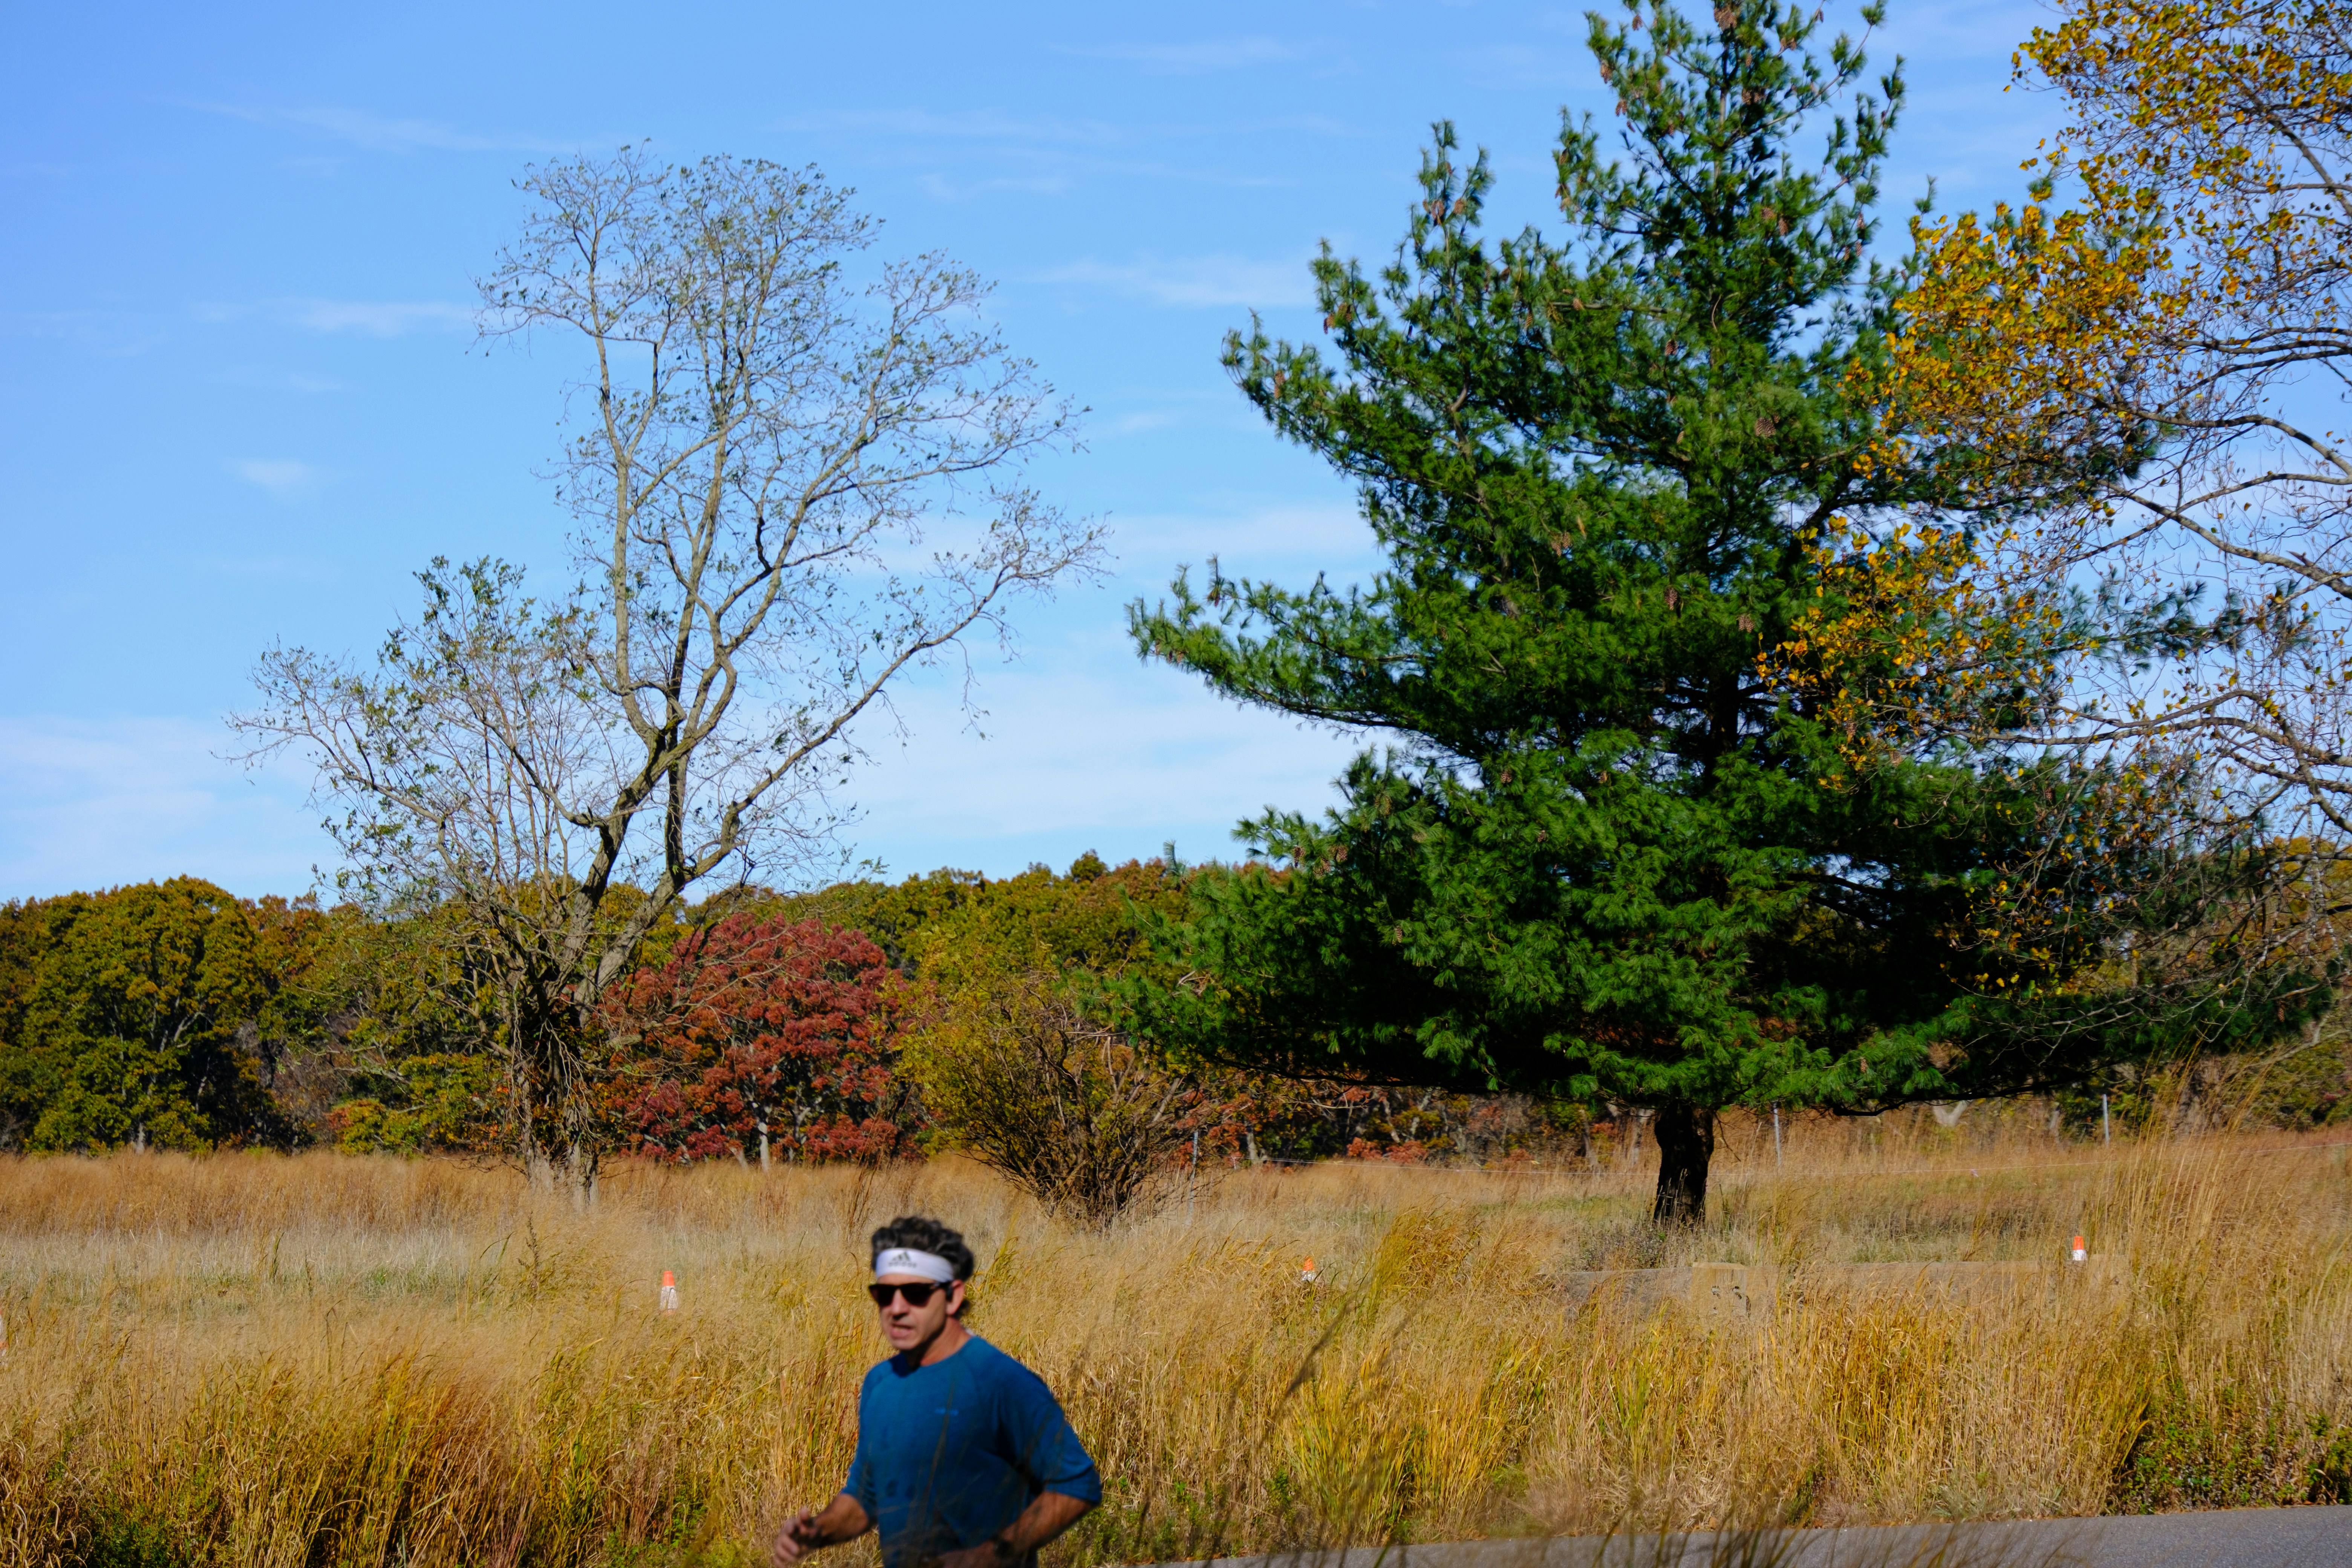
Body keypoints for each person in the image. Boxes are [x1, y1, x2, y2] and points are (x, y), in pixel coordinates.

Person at [772, 1215, 1101, 1568]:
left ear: (952, 1296)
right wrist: (817, 1531)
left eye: (915, 1294)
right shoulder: (880, 1383)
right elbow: (866, 1498)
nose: (897, 1309)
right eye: (885, 1294)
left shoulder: (999, 1381)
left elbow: (1076, 1485)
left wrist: (989, 1555)